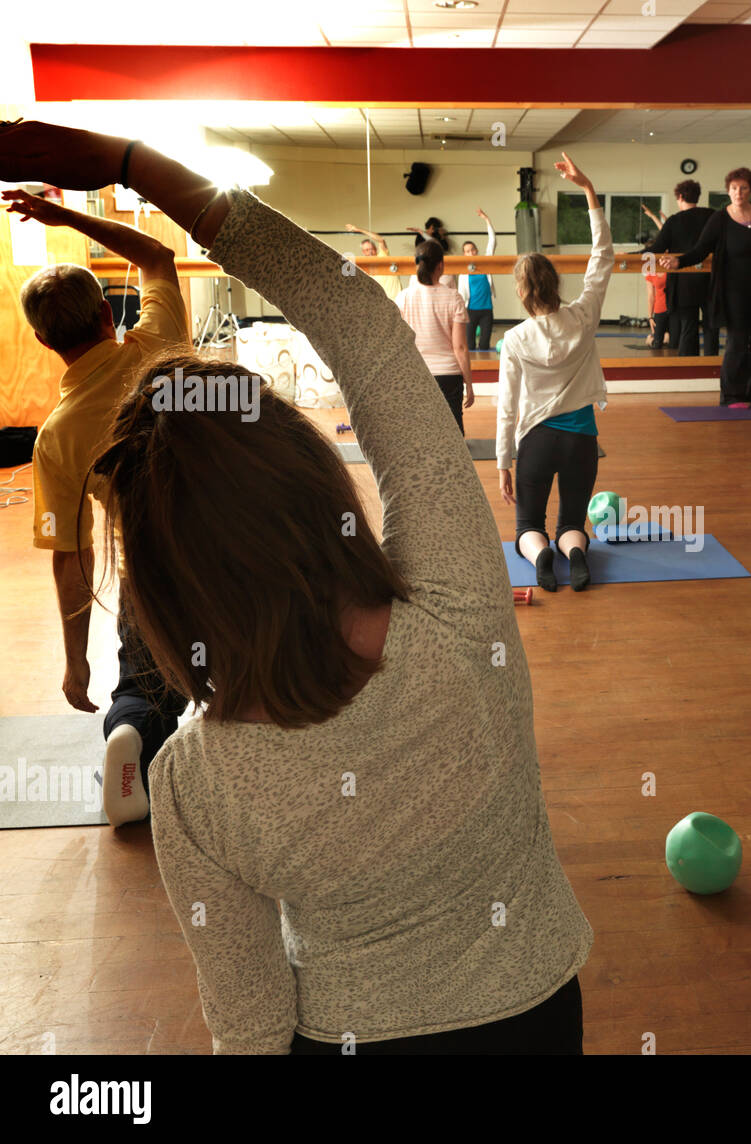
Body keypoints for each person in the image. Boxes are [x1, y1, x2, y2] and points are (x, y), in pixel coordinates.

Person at [0, 118, 592, 1053]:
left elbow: (251, 1027)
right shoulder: (458, 611)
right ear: (312, 483)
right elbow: (357, 320)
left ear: (169, 585)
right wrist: (125, 163)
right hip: (537, 1011)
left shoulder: (193, 784)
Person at [4, 186, 188, 828]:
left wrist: (74, 657)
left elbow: (71, 557)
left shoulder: (56, 434)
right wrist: (62, 214)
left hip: (158, 569)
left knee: (146, 680)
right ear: (109, 317)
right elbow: (158, 256)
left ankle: (135, 734)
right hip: (242, 544)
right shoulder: (159, 345)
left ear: (42, 340)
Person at [497, 154, 610, 594]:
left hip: (537, 441)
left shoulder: (515, 339)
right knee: (572, 521)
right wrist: (588, 190)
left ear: (523, 292)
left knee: (528, 524)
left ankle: (542, 555)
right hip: (583, 441)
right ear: (556, 284)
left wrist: (503, 462)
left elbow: (507, 407)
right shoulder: (584, 317)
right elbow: (602, 257)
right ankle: (575, 553)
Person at [659, 168, 751, 407]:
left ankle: (749, 392)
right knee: (737, 341)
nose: (739, 192)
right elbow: (700, 249)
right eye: (734, 188)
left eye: (743, 188)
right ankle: (731, 395)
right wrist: (678, 261)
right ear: (728, 190)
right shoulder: (720, 219)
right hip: (733, 290)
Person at [396, 240, 475, 435]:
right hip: (449, 376)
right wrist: (470, 384)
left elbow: (397, 342)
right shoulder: (453, 297)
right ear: (441, 266)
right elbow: (460, 348)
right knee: (453, 437)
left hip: (416, 373)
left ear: (417, 265)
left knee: (420, 435)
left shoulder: (403, 297)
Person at [641, 180, 718, 357]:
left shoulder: (675, 221)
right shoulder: (713, 216)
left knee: (688, 328)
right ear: (697, 196)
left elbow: (656, 249)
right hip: (711, 280)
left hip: (684, 282)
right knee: (711, 327)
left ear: (680, 197)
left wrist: (631, 255)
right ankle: (711, 368)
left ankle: (690, 370)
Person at [458, 208, 496, 351]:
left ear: (477, 251)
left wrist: (487, 220)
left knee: (484, 345)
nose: (471, 252)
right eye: (467, 251)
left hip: (487, 310)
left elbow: (492, 241)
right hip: (470, 311)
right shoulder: (463, 272)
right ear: (464, 255)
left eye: (473, 249)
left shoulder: (485, 264)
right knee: (470, 346)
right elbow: (461, 295)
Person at [344, 222, 402, 301]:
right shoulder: (364, 269)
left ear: (376, 249)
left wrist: (357, 229)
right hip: (383, 304)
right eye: (367, 250)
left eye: (372, 249)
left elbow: (381, 240)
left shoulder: (383, 256)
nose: (370, 252)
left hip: (398, 301)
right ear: (363, 252)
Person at [406, 216, 455, 287]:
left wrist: (442, 237)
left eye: (435, 228)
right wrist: (421, 233)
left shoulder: (437, 236)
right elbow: (419, 249)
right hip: (423, 263)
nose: (433, 230)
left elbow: (444, 248)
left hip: (436, 262)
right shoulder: (420, 237)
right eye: (432, 227)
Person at [644, 264, 669, 349]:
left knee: (672, 342)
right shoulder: (651, 273)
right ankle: (649, 339)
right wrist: (650, 317)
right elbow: (650, 296)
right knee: (657, 344)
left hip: (672, 309)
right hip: (660, 309)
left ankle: (666, 335)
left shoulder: (670, 268)